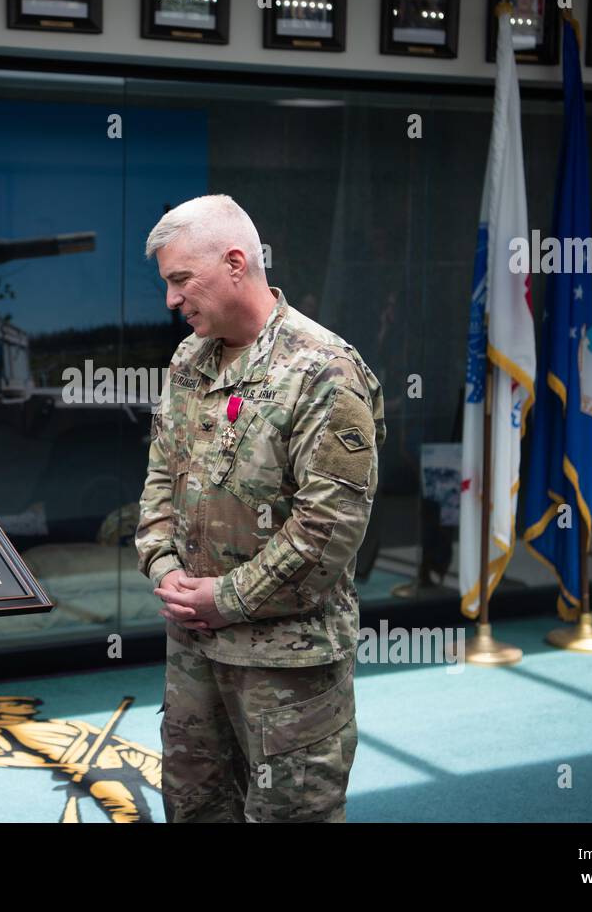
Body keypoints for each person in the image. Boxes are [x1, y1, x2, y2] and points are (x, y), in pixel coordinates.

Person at [136, 194, 385, 822]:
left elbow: (328, 532)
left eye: (180, 280)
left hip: (287, 667)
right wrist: (163, 567)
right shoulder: (189, 362)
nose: (171, 300)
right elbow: (161, 476)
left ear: (236, 263)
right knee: (197, 810)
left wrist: (226, 599)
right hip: (195, 651)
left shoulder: (324, 370)